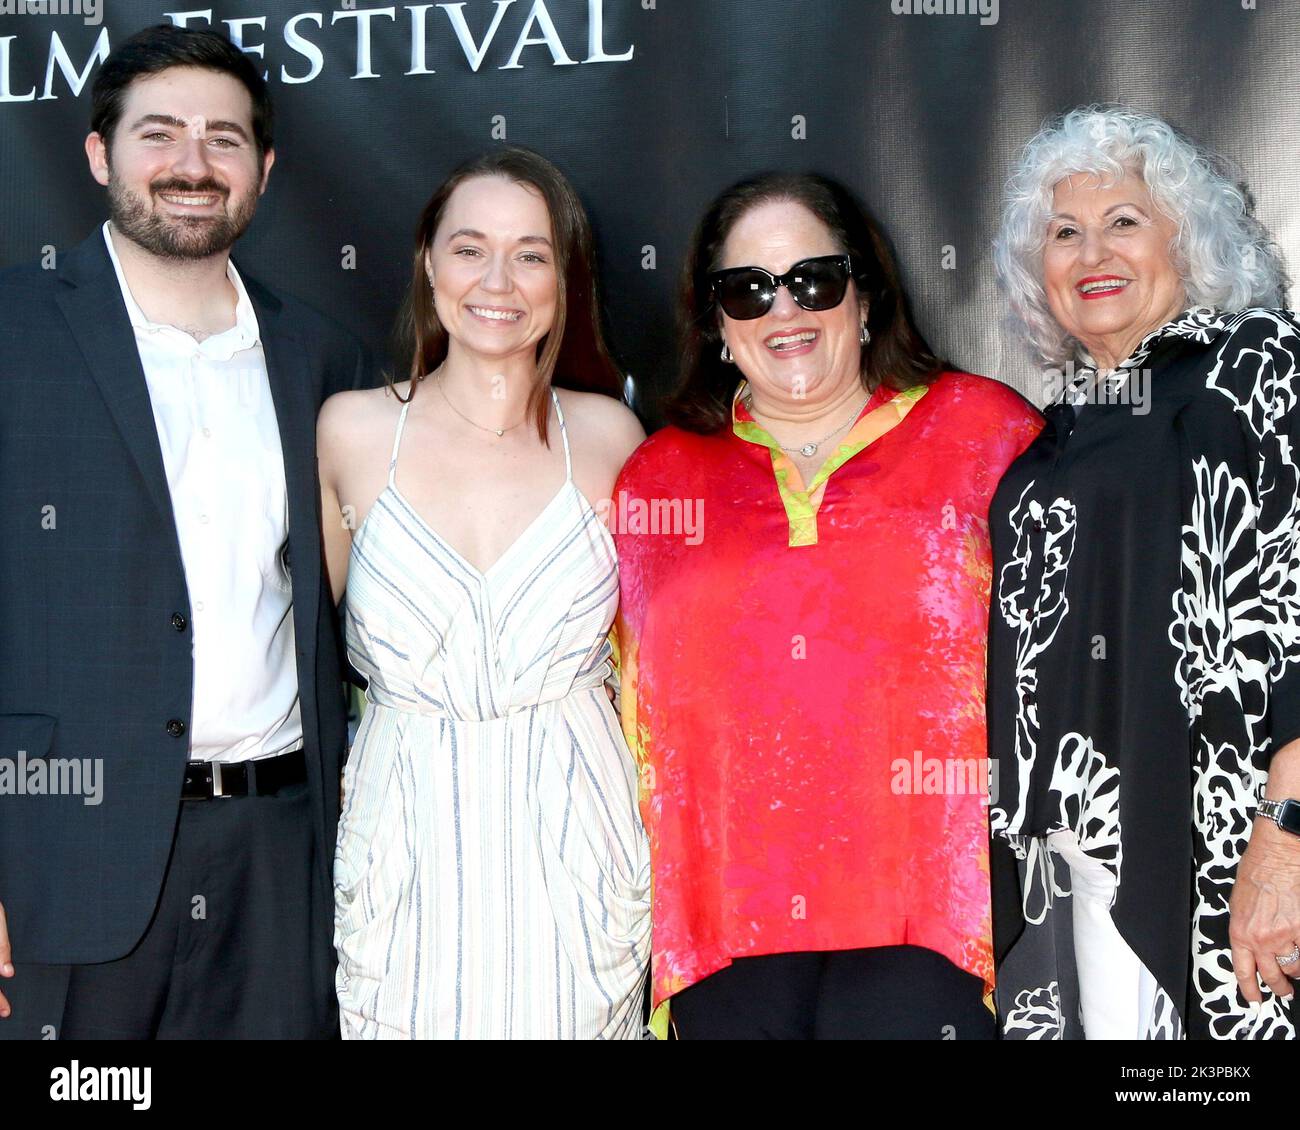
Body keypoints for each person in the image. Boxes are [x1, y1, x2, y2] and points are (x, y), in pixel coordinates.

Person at [0, 24, 375, 1038]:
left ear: (263, 168)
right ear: (96, 153)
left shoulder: (323, 359)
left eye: (224, 139)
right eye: (159, 135)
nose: (192, 166)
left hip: (281, 852)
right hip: (58, 854)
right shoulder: (12, 333)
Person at [612, 172, 1042, 1039]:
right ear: (716, 325)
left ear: (867, 294)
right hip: (725, 931)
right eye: (747, 290)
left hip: (936, 922)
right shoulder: (658, 477)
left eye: (814, 279)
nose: (784, 311)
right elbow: (630, 714)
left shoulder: (986, 432)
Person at [318, 147, 651, 1039]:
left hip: (576, 850)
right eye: (470, 248)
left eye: (531, 254)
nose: (498, 280)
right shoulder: (351, 432)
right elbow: (300, 658)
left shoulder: (613, 438)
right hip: (405, 848)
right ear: (429, 262)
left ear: (563, 277)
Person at [988, 105, 1300, 1039]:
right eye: (1064, 232)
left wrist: (1286, 843)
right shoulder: (1056, 436)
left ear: (1186, 238)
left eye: (1124, 220)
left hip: (1234, 859)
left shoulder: (1255, 367)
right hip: (1092, 873)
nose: (1093, 253)